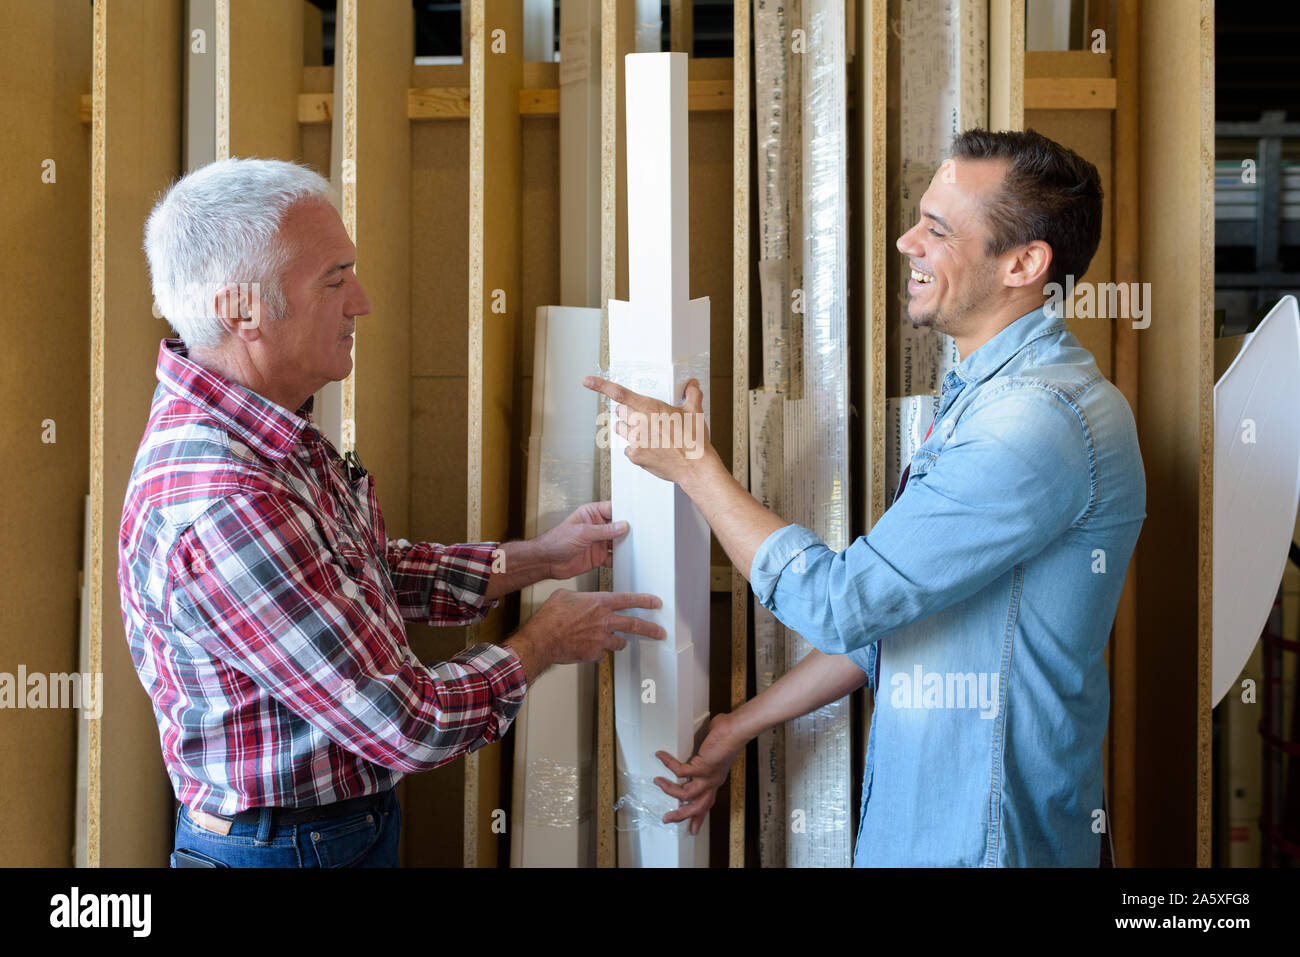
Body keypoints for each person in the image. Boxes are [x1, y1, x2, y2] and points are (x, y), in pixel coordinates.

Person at [586, 128, 1147, 867]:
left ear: (1024, 263)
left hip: (984, 847)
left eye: (938, 230)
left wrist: (696, 469)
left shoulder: (1033, 423)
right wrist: (739, 726)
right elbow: (893, 613)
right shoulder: (991, 395)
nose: (907, 242)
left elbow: (842, 602)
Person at [120, 157, 664, 868]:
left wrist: (537, 559)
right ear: (241, 310)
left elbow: (357, 577)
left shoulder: (264, 430)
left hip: (328, 830)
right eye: (335, 280)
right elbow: (408, 724)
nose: (363, 302)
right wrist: (541, 644)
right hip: (284, 849)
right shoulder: (228, 500)